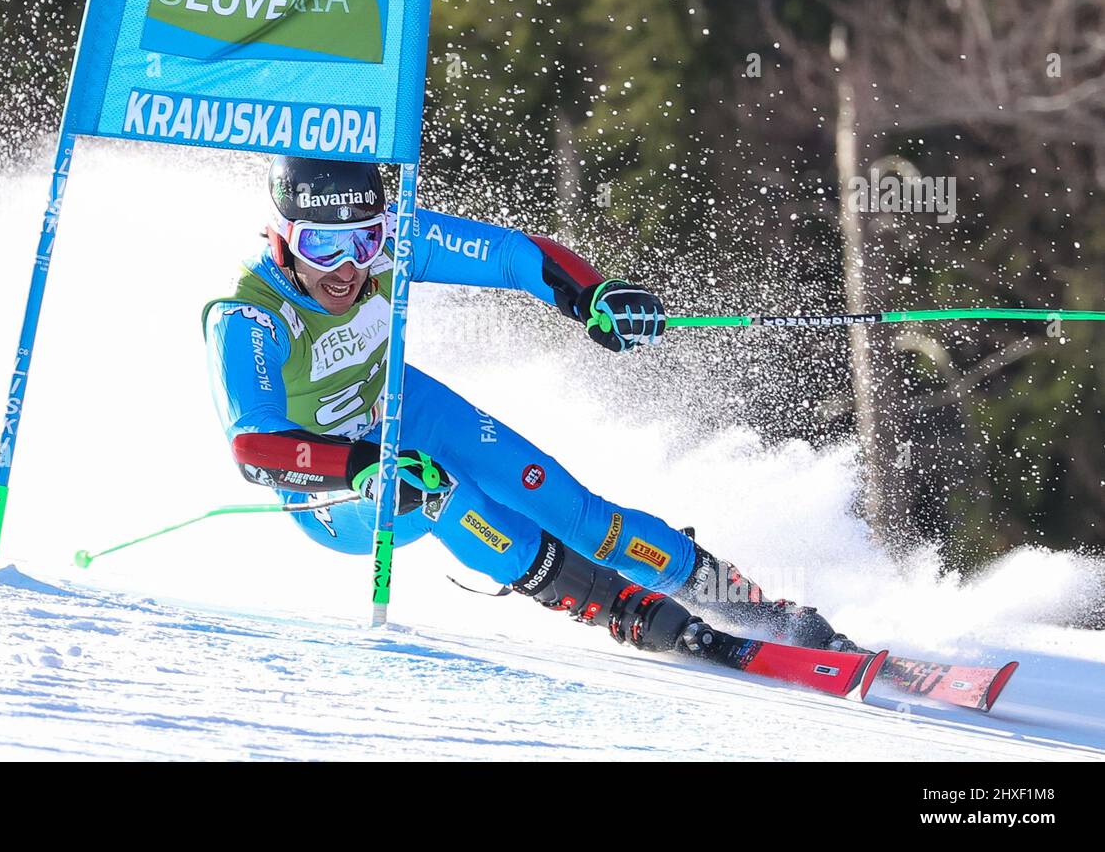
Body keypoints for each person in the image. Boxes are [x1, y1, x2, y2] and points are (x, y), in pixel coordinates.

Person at [202, 156, 854, 661]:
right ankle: (628, 609)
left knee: (577, 512)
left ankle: (754, 610)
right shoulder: (250, 316)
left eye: (365, 241)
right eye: (322, 247)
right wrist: (358, 466)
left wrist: (592, 294)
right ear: (281, 238)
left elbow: (516, 256)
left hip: (401, 404)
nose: (348, 268)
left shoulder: (391, 243)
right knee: (430, 485)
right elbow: (254, 448)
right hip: (334, 485)